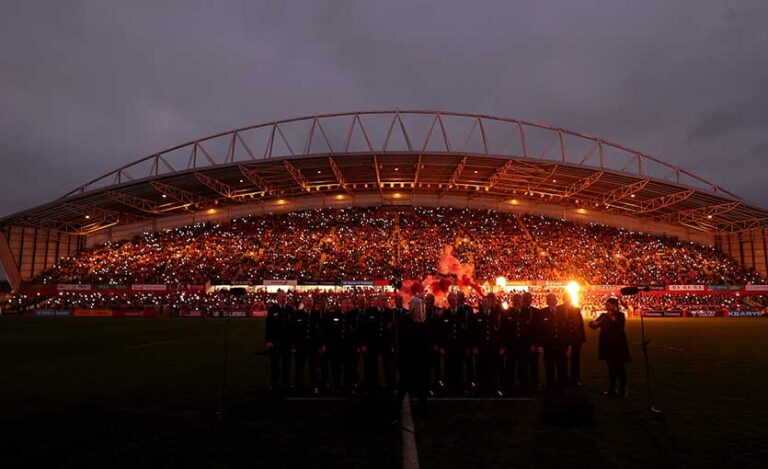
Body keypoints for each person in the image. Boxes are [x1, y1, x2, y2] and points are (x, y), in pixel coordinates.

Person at [396, 295, 432, 415]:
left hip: (420, 359)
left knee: (421, 384)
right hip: (410, 359)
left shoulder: (424, 321)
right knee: (405, 384)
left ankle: (422, 407)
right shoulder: (406, 321)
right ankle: (398, 407)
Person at [589, 297, 630, 397]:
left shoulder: (620, 315)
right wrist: (592, 323)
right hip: (607, 346)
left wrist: (613, 318)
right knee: (611, 368)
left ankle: (623, 390)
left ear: (615, 305)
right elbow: (593, 325)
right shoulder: (603, 315)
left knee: (620, 368)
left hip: (618, 346)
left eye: (609, 304)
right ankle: (612, 389)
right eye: (606, 304)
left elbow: (620, 328)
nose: (607, 306)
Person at [359, 294, 394, 393]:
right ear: (377, 301)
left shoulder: (389, 312)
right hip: (372, 343)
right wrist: (363, 344)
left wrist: (392, 345)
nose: (383, 301)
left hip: (385, 343)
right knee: (371, 366)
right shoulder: (370, 311)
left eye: (384, 299)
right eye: (381, 299)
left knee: (388, 366)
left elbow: (392, 330)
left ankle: (389, 386)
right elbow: (364, 329)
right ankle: (371, 386)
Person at [466, 293, 500, 395]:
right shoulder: (476, 316)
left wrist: (500, 346)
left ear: (491, 304)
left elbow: (499, 333)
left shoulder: (496, 316)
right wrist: (475, 346)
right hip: (481, 348)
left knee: (493, 369)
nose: (484, 304)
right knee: (480, 369)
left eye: (487, 302)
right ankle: (481, 389)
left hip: (492, 347)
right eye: (483, 302)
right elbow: (473, 333)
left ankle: (493, 389)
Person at [324, 297, 357, 393]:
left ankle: (347, 387)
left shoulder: (353, 316)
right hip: (336, 348)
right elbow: (328, 331)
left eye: (348, 303)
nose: (347, 305)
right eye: (345, 303)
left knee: (348, 368)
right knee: (335, 368)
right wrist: (328, 344)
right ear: (341, 304)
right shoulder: (332, 315)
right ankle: (336, 387)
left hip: (348, 348)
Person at [292, 294, 323, 394]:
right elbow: (293, 332)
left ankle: (315, 386)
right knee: (299, 367)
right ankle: (298, 386)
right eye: (307, 300)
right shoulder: (297, 314)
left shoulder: (316, 314)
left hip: (313, 346)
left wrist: (320, 345)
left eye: (310, 301)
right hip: (300, 346)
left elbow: (320, 332)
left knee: (314, 368)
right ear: (303, 302)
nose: (309, 302)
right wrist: (294, 345)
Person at [436, 292, 466, 393]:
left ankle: (460, 387)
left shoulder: (463, 313)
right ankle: (449, 387)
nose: (452, 302)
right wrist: (441, 346)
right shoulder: (445, 313)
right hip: (448, 346)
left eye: (453, 300)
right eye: (450, 300)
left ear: (457, 300)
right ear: (448, 302)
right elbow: (441, 332)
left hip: (460, 345)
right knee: (449, 367)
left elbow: (466, 331)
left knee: (460, 366)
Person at [539, 293, 569, 392]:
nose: (551, 301)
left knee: (562, 368)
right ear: (547, 301)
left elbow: (566, 330)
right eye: (549, 299)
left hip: (561, 346)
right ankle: (551, 387)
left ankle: (562, 387)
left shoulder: (562, 312)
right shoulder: (542, 312)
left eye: (553, 299)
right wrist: (540, 346)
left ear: (556, 301)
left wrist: (568, 346)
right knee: (549, 369)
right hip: (548, 346)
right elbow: (540, 330)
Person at [265, 290, 294, 391]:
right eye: (282, 296)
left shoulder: (290, 309)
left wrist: (293, 343)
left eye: (285, 297)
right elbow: (268, 326)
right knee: (275, 364)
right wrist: (268, 340)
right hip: (275, 342)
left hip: (287, 342)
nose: (283, 298)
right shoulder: (272, 309)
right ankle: (273, 383)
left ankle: (285, 383)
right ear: (277, 298)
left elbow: (293, 327)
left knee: (287, 364)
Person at [562, 292, 586, 386]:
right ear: (563, 299)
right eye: (565, 298)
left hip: (575, 339)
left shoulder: (576, 309)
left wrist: (583, 339)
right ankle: (563, 378)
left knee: (575, 361)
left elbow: (581, 325)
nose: (567, 300)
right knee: (563, 360)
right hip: (563, 340)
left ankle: (575, 379)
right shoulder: (559, 309)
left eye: (568, 298)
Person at [520, 292, 541, 389]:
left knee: (534, 365)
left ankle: (535, 383)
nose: (526, 301)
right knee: (523, 365)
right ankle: (524, 384)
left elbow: (538, 329)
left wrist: (534, 344)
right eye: (525, 299)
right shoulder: (519, 311)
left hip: (533, 344)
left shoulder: (537, 312)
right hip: (522, 344)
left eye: (528, 299)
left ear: (531, 300)